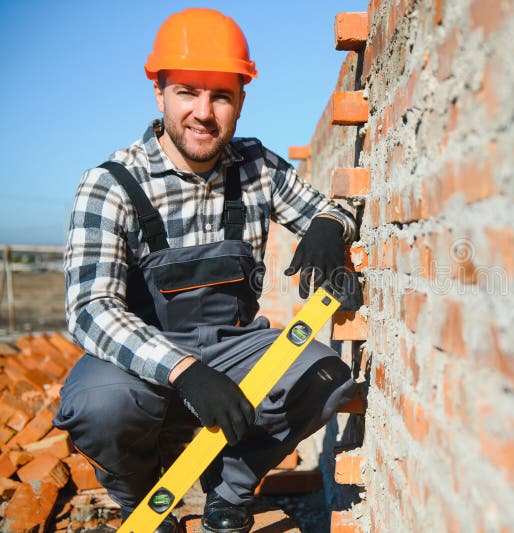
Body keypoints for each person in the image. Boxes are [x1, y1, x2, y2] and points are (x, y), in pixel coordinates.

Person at [53, 8, 358, 533]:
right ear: (159, 93)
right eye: (188, 92)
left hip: (232, 348)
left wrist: (332, 223)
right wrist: (183, 369)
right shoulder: (110, 184)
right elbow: (89, 309)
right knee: (99, 407)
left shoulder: (257, 168)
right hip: (140, 358)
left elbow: (333, 208)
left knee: (325, 375)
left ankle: (229, 493)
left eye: (221, 96)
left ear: (241, 99)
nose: (204, 112)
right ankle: (145, 500)